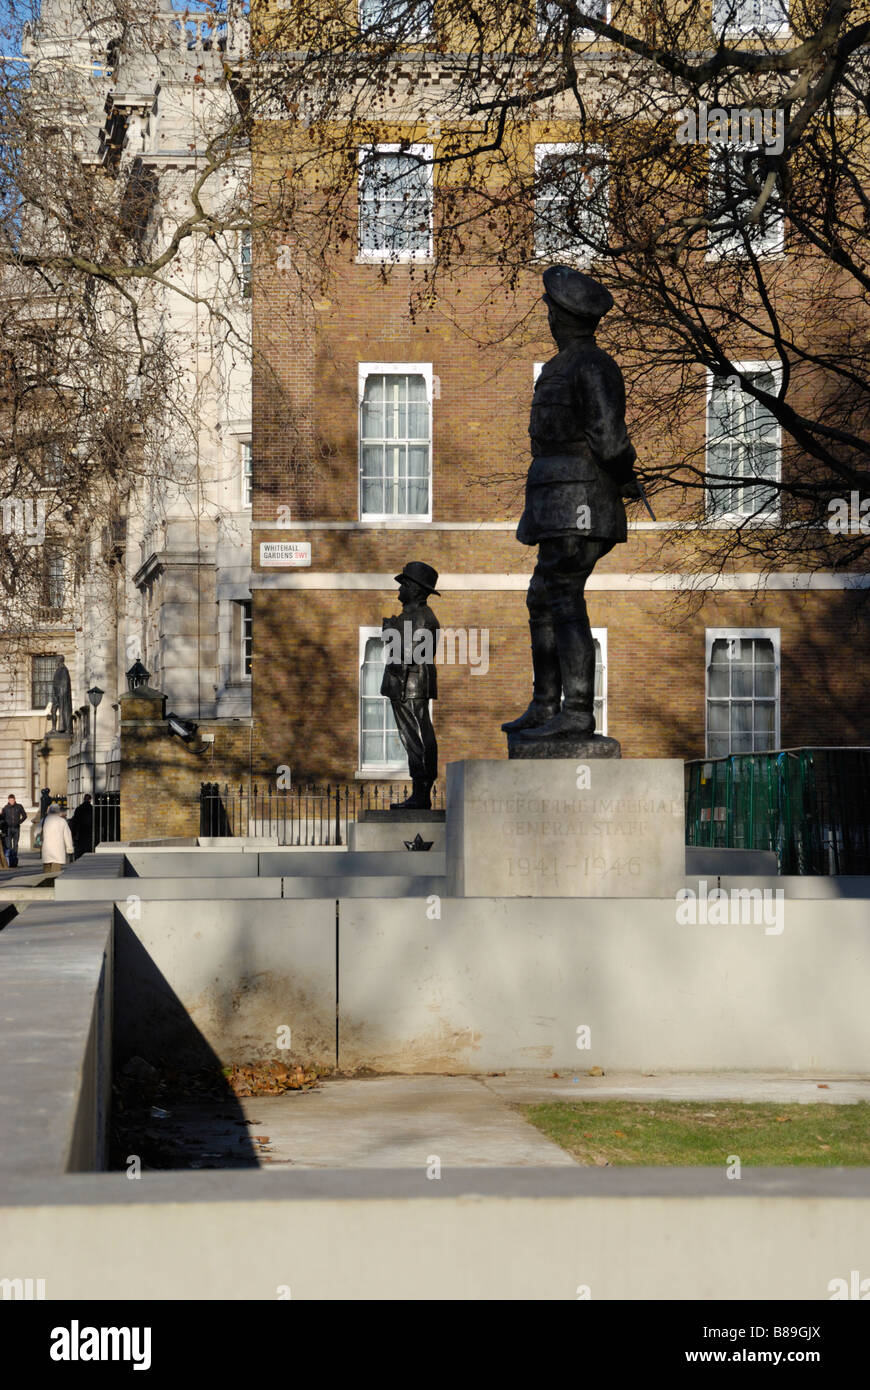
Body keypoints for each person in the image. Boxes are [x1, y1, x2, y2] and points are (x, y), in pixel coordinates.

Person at [503, 265, 640, 742]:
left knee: (561, 595)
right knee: (541, 597)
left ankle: (577, 710)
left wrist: (624, 475)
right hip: (553, 498)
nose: (549, 318)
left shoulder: (593, 366)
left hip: (581, 499)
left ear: (560, 317)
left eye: (551, 312)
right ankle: (546, 705)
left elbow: (609, 439)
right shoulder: (560, 366)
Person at [380, 561, 440, 810]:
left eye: (403, 584)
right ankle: (419, 791)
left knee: (417, 735)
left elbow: (408, 656)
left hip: (411, 684)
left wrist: (389, 632)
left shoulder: (423, 619)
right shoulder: (410, 616)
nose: (399, 590)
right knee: (412, 736)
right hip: (403, 684)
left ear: (415, 589)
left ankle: (422, 792)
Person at [41, 803, 73, 875]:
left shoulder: (44, 820)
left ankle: (46, 883)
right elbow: (67, 836)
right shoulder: (62, 821)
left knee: (46, 868)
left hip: (47, 848)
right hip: (58, 849)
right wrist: (69, 848)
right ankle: (53, 883)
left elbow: (36, 832)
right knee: (56, 870)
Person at [1, 794, 27, 868]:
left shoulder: (19, 806)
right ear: (8, 800)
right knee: (8, 845)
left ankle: (15, 860)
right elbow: (2, 817)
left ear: (14, 800)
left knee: (15, 844)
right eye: (10, 800)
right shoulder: (5, 808)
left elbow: (24, 816)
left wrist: (19, 822)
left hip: (16, 828)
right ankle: (9, 861)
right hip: (8, 829)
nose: (11, 801)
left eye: (12, 800)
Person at [70, 793, 94, 859]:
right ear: (90, 800)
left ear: (84, 799)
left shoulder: (79, 809)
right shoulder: (93, 809)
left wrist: (74, 834)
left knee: (80, 849)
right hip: (90, 831)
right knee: (88, 848)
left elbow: (75, 821)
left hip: (80, 831)